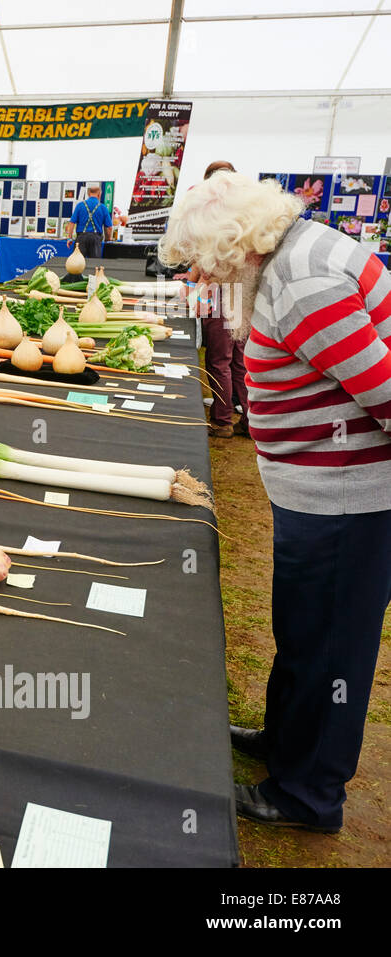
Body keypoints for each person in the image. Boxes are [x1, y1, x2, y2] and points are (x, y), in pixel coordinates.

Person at [159, 171, 391, 835]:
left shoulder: (305, 282)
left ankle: (307, 793)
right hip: (320, 498)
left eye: (205, 259)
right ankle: (287, 740)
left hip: (349, 501)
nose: (204, 273)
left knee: (333, 650)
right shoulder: (291, 257)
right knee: (304, 633)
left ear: (236, 242)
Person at [189, 160, 249, 438]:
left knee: (218, 360)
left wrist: (197, 278)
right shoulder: (247, 210)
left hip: (220, 291)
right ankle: (249, 420)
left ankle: (222, 420)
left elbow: (208, 261)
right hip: (243, 291)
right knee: (239, 361)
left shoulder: (213, 214)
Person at [65, 185, 112, 259]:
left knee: (77, 264)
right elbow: (109, 227)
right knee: (95, 264)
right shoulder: (103, 207)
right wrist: (107, 239)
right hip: (96, 239)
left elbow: (71, 223)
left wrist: (69, 238)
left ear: (88, 194)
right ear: (99, 194)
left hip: (81, 238)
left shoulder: (80, 206)